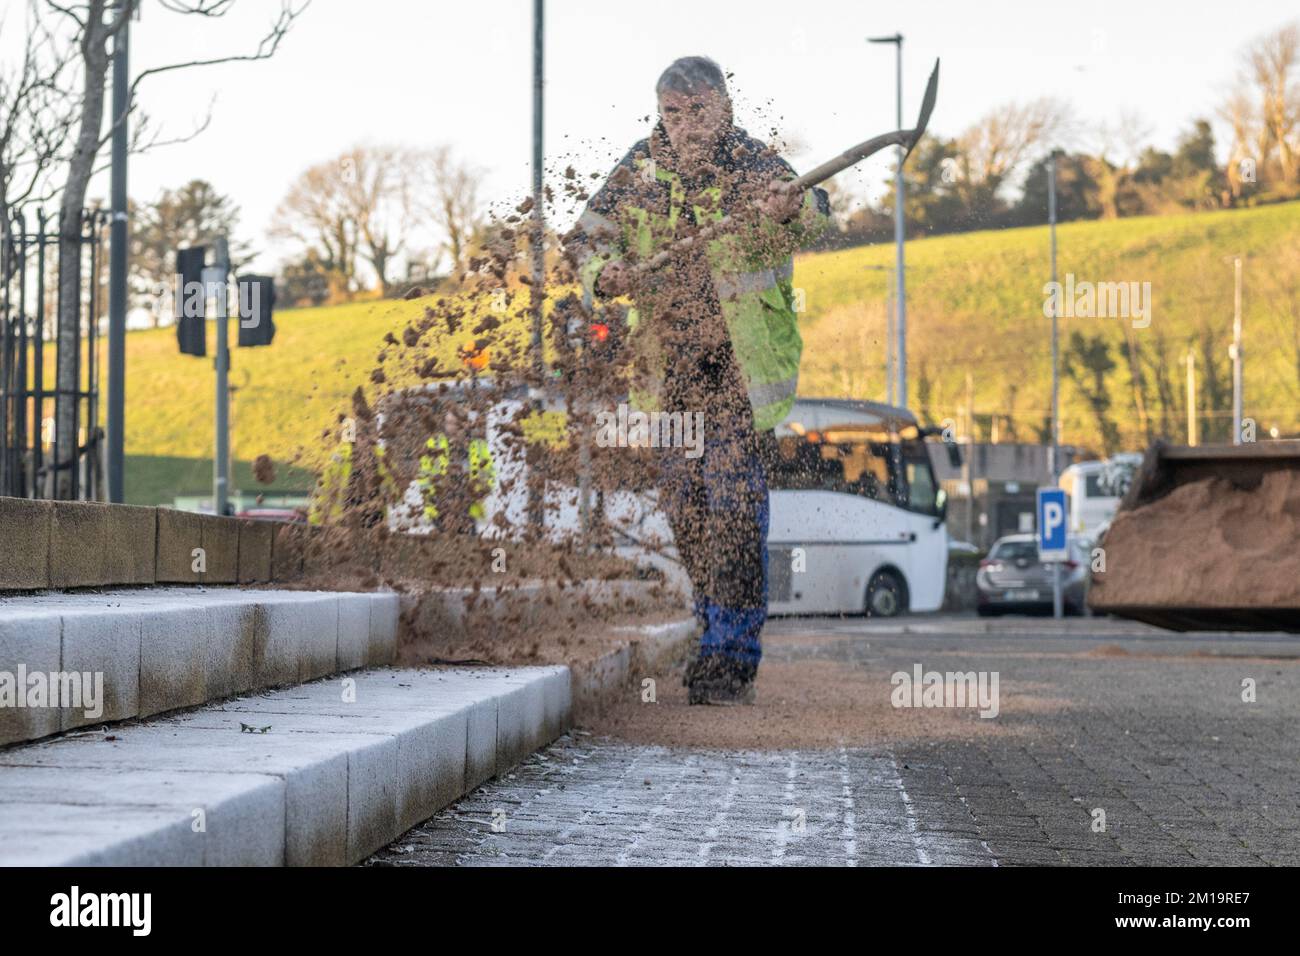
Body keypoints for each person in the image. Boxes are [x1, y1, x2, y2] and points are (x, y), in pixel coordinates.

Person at [569, 56, 829, 704]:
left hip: (739, 376)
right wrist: (605, 275)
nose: (687, 126)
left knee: (735, 508)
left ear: (725, 107)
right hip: (672, 374)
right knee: (688, 510)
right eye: (674, 114)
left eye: (700, 112)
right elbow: (585, 242)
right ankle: (710, 623)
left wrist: (788, 213)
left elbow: (818, 213)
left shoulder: (757, 164)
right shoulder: (637, 172)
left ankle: (730, 653)